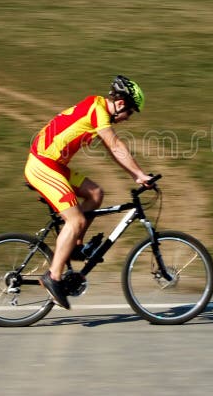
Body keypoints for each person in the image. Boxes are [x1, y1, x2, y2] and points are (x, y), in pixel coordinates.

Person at [24, 75, 152, 309]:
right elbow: (115, 145)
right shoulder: (97, 110)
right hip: (43, 164)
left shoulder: (97, 109)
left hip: (54, 165)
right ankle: (53, 277)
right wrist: (140, 175)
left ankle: (74, 247)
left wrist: (135, 174)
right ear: (120, 104)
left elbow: (112, 148)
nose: (128, 118)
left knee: (95, 194)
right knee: (76, 220)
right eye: (130, 112)